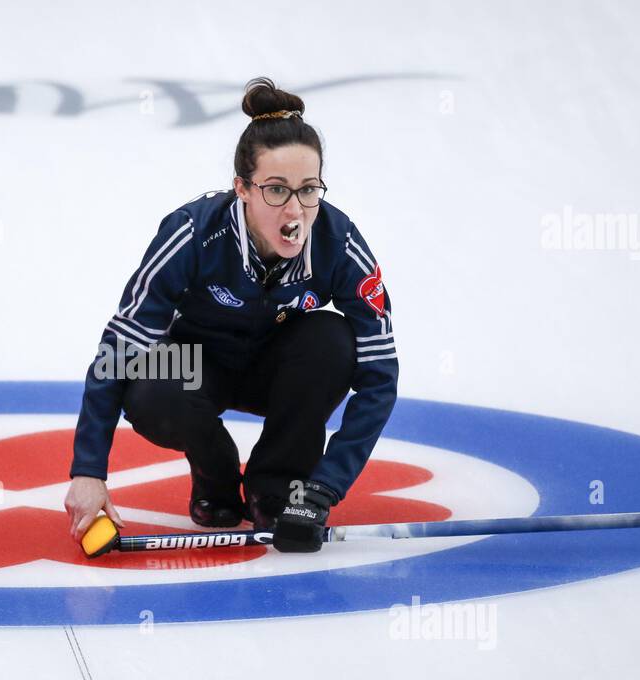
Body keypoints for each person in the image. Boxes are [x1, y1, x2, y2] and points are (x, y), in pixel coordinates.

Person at [65, 77, 399, 553]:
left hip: (280, 370)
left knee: (333, 339)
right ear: (241, 188)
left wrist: (323, 489)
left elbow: (380, 374)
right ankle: (214, 468)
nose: (296, 209)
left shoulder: (340, 243)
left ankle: (278, 486)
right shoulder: (191, 234)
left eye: (309, 190)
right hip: (199, 367)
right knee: (149, 384)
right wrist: (88, 471)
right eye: (276, 190)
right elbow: (118, 351)